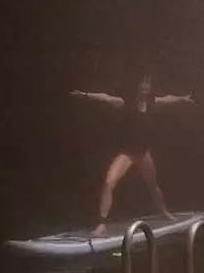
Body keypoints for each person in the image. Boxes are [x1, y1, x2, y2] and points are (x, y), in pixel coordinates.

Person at [69, 76, 194, 233]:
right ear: (136, 87)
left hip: (143, 154)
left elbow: (169, 99)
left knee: (152, 185)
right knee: (108, 183)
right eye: (142, 84)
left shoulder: (152, 103)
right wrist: (86, 95)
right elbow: (106, 98)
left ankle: (163, 211)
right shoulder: (125, 103)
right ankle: (101, 224)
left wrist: (182, 99)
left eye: (147, 84)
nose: (145, 86)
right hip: (127, 153)